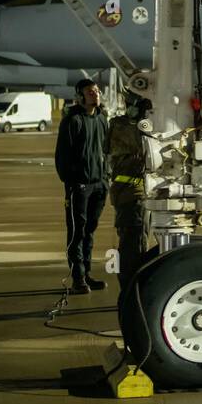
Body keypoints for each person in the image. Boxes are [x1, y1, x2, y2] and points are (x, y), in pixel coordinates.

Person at [55, 79, 110, 294]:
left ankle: (86, 273)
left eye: (96, 91)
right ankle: (77, 277)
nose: (95, 94)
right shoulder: (73, 120)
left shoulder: (101, 119)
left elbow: (106, 151)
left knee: (90, 231)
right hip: (79, 186)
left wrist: (106, 178)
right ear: (80, 96)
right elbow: (62, 156)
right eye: (90, 91)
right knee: (77, 232)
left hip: (99, 184)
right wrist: (72, 182)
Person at [110, 91, 152, 292]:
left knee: (136, 242)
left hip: (131, 193)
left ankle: (132, 286)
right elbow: (140, 147)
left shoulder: (124, 124)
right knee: (132, 247)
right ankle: (131, 290)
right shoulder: (124, 126)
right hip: (131, 194)